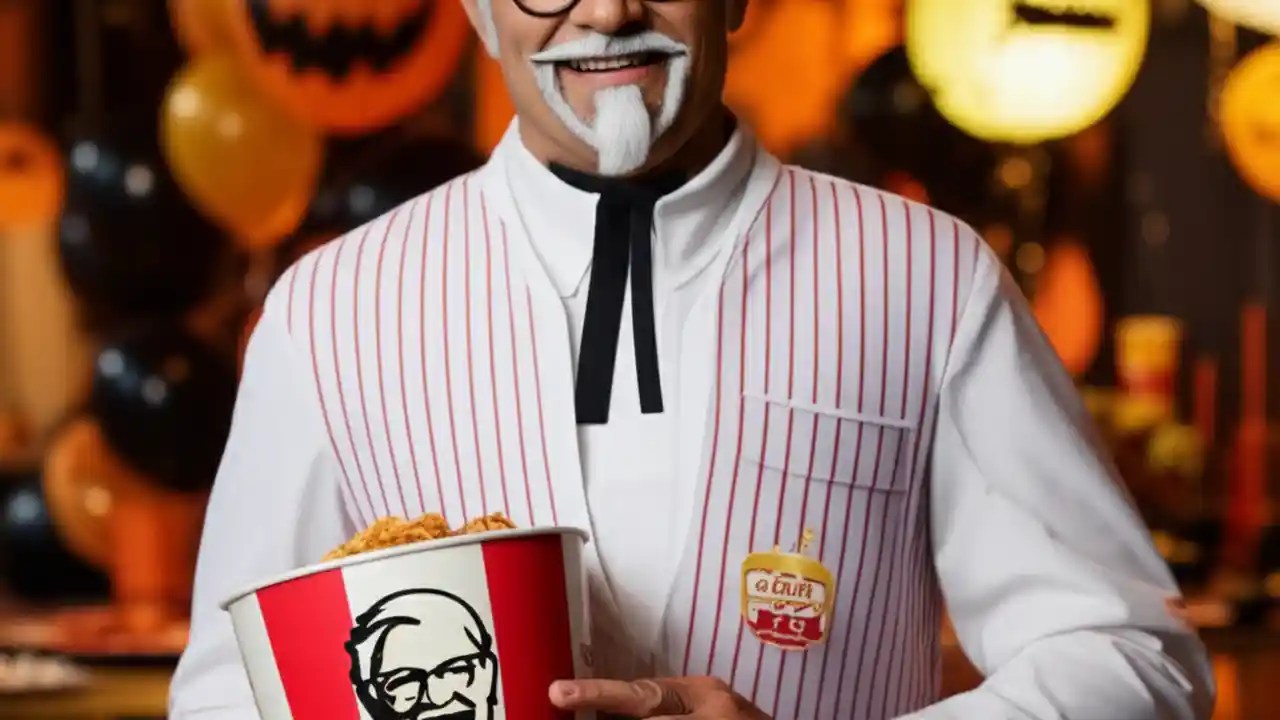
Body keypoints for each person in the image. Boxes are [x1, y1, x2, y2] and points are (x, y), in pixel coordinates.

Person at [169, 0, 1216, 717]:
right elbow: (229, 692)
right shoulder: (331, 308)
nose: (607, 9)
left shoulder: (922, 276)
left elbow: (1131, 660)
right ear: (478, 10)